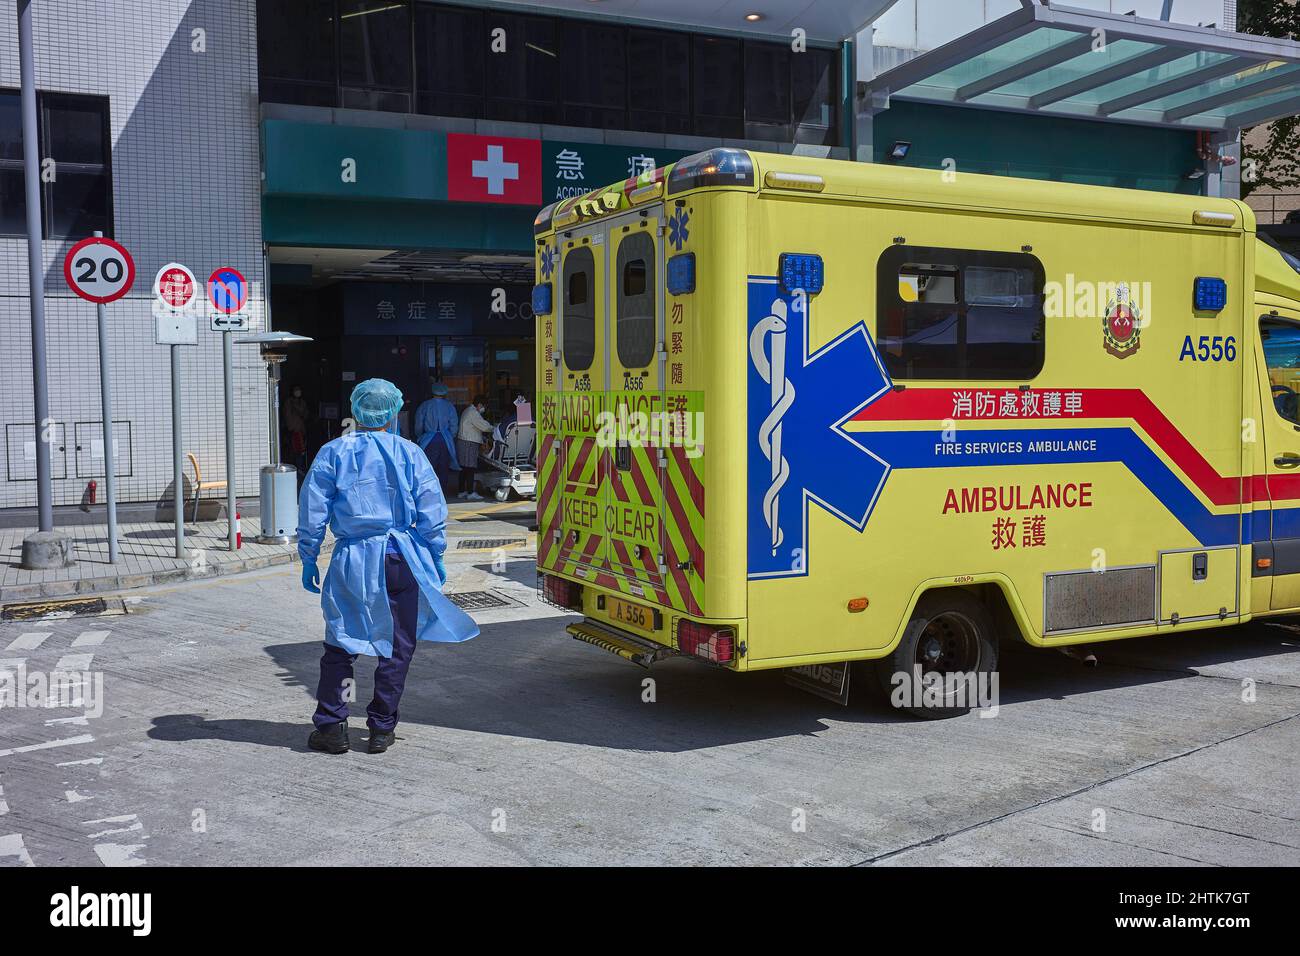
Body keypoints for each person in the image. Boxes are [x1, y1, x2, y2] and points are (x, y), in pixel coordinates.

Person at [297, 377, 479, 755]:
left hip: (352, 558)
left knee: (341, 641)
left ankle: (332, 726)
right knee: (397, 646)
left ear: (355, 409)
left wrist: (309, 556)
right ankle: (381, 726)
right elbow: (431, 510)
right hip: (400, 557)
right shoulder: (409, 453)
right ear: (394, 412)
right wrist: (436, 554)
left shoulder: (333, 452)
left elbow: (312, 511)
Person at [414, 382, 460, 497]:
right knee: (444, 468)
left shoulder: (424, 405)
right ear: (444, 392)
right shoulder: (449, 406)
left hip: (429, 440)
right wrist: (451, 436)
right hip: (445, 440)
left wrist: (420, 436)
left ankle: (429, 493)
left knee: (429, 468)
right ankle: (442, 492)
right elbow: (454, 425)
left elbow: (418, 424)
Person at [456, 394, 493, 501]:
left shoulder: (468, 410)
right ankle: (470, 492)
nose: (484, 409)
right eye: (484, 406)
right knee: (470, 468)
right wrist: (494, 428)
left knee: (464, 468)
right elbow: (484, 426)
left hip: (464, 442)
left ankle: (461, 491)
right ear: (480, 404)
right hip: (469, 443)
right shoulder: (473, 413)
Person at [284, 385, 309, 472]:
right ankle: (295, 468)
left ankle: (300, 467)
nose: (298, 392)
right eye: (296, 390)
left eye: (299, 390)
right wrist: (290, 427)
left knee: (301, 450)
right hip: (294, 430)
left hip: (301, 429)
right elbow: (287, 416)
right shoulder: (289, 402)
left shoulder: (302, 402)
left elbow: (306, 414)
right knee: (294, 450)